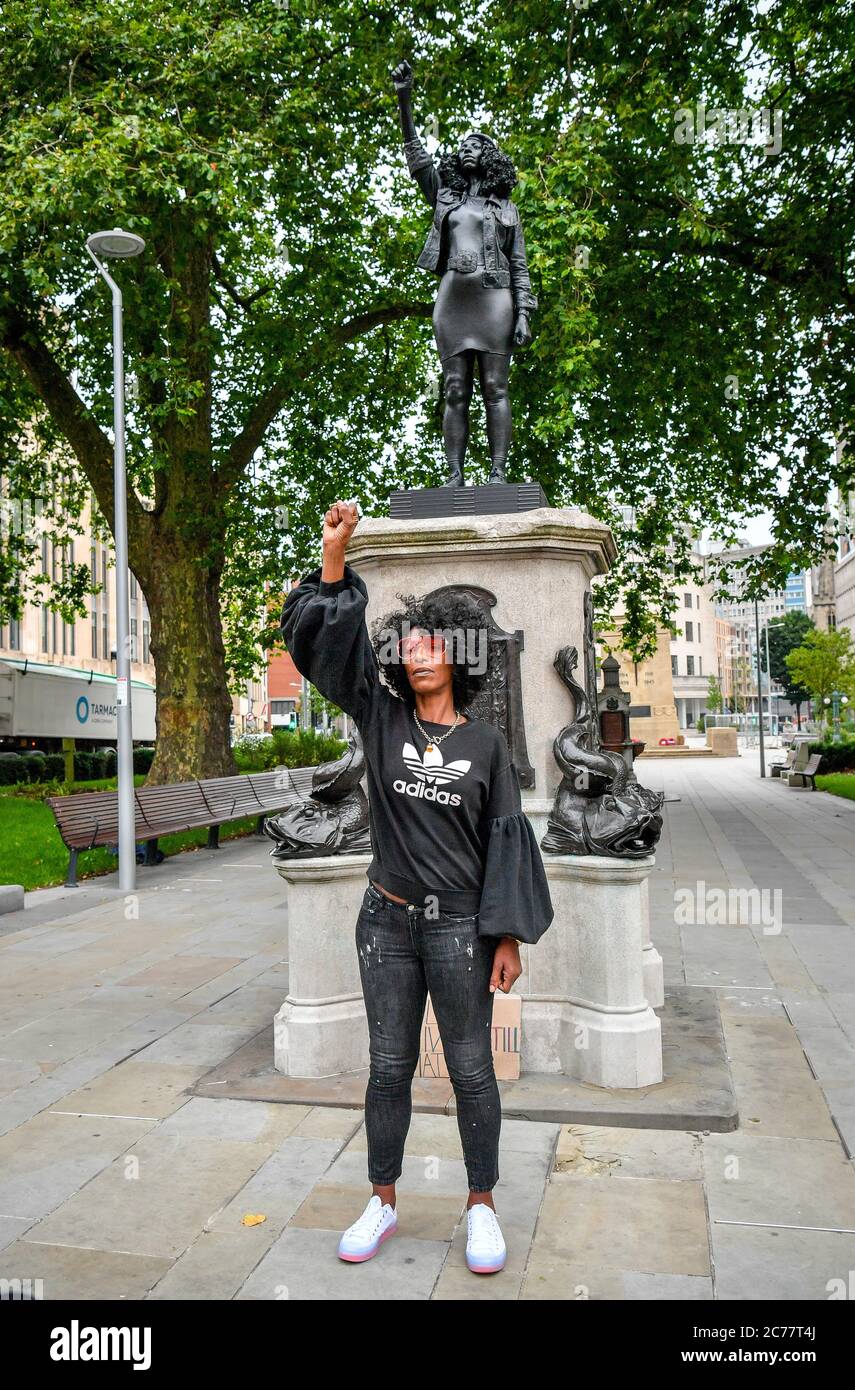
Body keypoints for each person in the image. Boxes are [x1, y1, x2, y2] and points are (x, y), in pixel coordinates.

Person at [280, 500, 554, 1274]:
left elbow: (508, 840)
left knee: (470, 1067)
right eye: (410, 644)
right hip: (386, 923)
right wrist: (335, 557)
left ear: (458, 658)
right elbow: (331, 654)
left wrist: (505, 936)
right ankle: (382, 1200)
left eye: (435, 644)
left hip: (460, 929)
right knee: (389, 1065)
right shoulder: (381, 717)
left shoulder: (486, 744)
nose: (419, 653)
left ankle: (481, 1209)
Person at [391, 59, 537, 486]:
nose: (468, 147)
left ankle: (497, 472)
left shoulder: (506, 210)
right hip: (453, 300)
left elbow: (520, 266)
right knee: (455, 389)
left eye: (478, 144)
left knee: (496, 389)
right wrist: (404, 100)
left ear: (490, 157)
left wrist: (524, 313)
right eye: (464, 144)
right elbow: (416, 157)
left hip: (496, 300)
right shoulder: (445, 197)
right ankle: (454, 475)